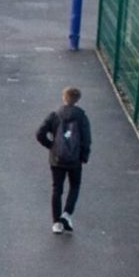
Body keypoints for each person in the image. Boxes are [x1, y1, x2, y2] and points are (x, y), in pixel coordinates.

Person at [35, 86, 92, 233]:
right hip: (75, 160)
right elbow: (86, 139)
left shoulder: (55, 115)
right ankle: (67, 214)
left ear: (64, 98)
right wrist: (84, 157)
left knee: (57, 189)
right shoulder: (82, 117)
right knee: (74, 186)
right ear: (78, 100)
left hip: (57, 159)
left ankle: (56, 223)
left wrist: (51, 146)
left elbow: (39, 133)